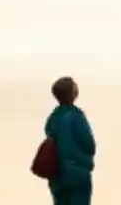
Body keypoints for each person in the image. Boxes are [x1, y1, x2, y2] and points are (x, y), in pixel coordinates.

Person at [44, 76, 96, 205]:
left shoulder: (53, 117)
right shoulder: (76, 116)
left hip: (57, 174)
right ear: (73, 93)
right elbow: (89, 145)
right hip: (77, 174)